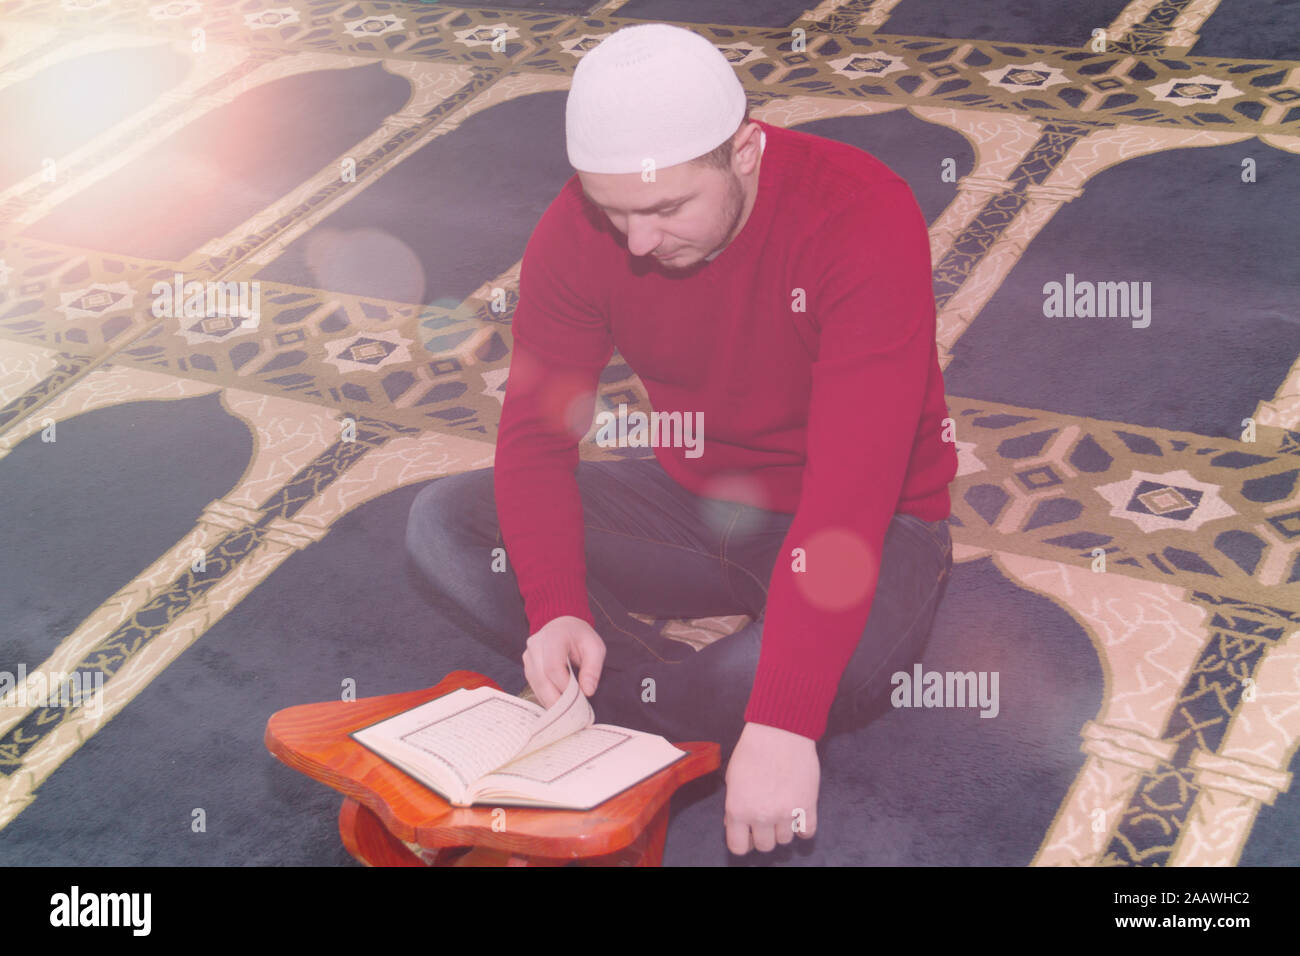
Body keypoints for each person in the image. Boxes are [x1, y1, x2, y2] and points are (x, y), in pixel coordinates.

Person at [406, 22, 958, 858]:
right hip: (701, 510)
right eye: (613, 210)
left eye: (665, 208)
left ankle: (639, 704)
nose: (637, 242)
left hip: (872, 521)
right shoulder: (578, 231)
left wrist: (780, 720)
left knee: (783, 683)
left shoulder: (859, 213)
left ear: (744, 151)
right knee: (444, 525)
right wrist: (556, 604)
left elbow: (851, 488)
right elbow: (534, 434)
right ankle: (665, 693)